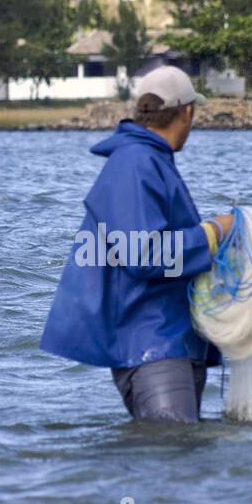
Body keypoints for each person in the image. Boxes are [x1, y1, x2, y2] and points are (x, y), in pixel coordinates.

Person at [40, 65, 234, 423]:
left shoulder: (148, 160)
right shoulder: (136, 163)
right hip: (153, 345)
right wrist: (214, 233)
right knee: (167, 453)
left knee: (180, 458)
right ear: (188, 112)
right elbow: (143, 255)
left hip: (170, 341)